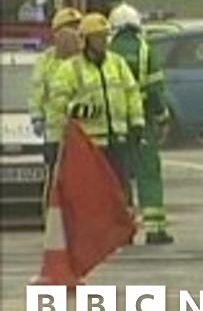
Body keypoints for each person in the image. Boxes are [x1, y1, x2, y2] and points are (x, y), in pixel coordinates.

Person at [49, 13, 144, 203]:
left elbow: (132, 92)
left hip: (117, 140)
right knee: (92, 194)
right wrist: (78, 110)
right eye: (97, 37)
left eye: (104, 36)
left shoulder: (117, 63)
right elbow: (57, 101)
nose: (102, 42)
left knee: (120, 191)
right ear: (85, 40)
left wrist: (137, 122)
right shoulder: (70, 68)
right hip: (88, 145)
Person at [109, 3, 175, 245]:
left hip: (114, 125)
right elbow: (156, 90)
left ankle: (122, 231)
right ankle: (155, 229)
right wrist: (162, 118)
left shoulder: (107, 50)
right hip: (143, 122)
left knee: (118, 178)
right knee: (149, 174)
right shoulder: (146, 51)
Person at [30, 7, 83, 168]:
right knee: (55, 179)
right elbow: (37, 91)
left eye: (77, 28)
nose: (73, 33)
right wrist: (37, 117)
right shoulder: (45, 60)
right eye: (69, 28)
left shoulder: (87, 59)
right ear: (56, 34)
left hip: (84, 133)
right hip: (55, 134)